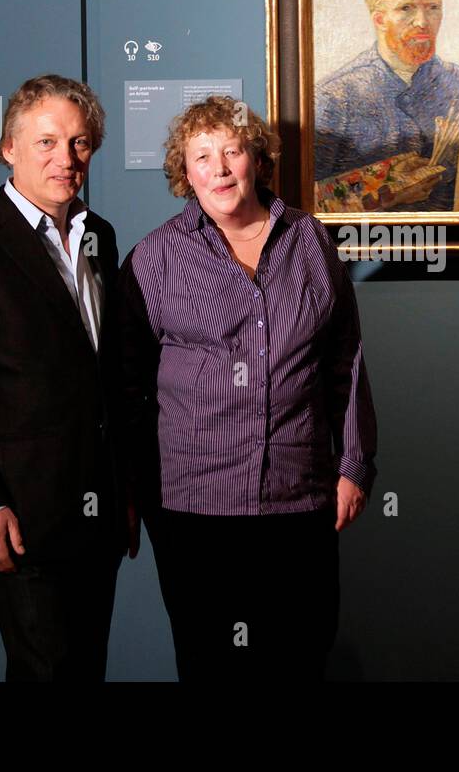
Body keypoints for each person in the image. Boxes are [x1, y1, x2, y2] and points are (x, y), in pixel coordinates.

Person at [108, 95, 376, 681]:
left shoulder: (310, 243)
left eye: (231, 150)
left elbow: (344, 359)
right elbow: (127, 387)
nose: (219, 168)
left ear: (256, 158)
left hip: (298, 496)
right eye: (201, 156)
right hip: (195, 508)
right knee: (212, 666)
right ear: (185, 170)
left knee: (301, 655)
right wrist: (131, 491)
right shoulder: (155, 259)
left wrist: (353, 463)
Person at [0, 75, 137, 681]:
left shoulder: (100, 237)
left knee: (85, 670)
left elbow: (107, 380)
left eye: (79, 143)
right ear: (9, 149)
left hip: (97, 516)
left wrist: (123, 492)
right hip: (22, 516)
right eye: (46, 143)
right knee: (45, 673)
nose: (65, 160)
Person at [313, 0, 459, 211]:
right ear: (379, 19)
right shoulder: (334, 97)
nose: (422, 22)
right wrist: (387, 186)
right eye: (406, 8)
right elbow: (303, 200)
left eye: (433, 7)